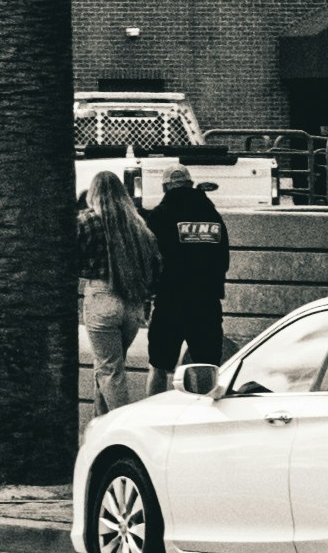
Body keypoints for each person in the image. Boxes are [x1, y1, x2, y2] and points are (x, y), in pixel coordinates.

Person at [75, 159, 157, 416]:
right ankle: (99, 424)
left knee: (110, 369)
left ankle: (122, 425)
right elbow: (154, 264)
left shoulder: (88, 221)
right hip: (132, 305)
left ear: (93, 193)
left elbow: (71, 256)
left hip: (102, 298)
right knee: (108, 365)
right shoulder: (139, 226)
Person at [143, 162, 234, 387]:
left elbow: (149, 261)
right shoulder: (212, 216)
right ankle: (204, 413)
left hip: (170, 301)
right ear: (191, 185)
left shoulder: (158, 217)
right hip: (206, 302)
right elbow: (223, 258)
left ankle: (155, 413)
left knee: (159, 365)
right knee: (206, 365)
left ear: (165, 188)